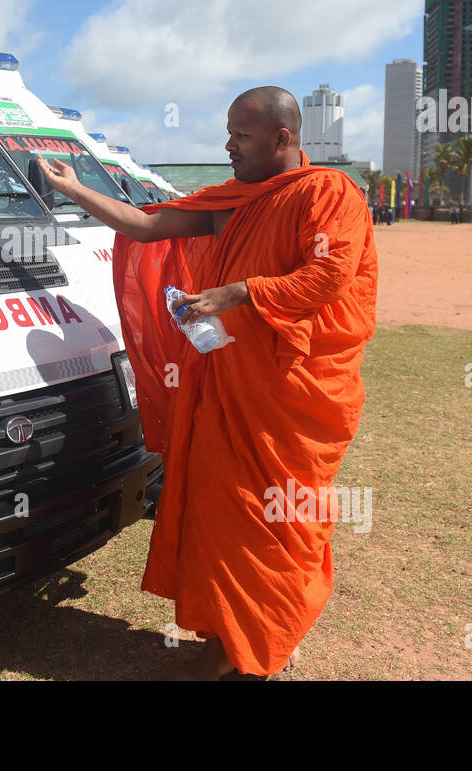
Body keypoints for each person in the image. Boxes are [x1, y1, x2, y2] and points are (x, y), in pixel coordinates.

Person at [38, 87, 378, 680]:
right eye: (228, 132)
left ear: (282, 138)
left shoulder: (327, 192)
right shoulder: (232, 201)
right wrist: (72, 188)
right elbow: (145, 227)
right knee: (227, 512)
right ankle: (239, 634)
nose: (228, 145)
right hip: (228, 381)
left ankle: (253, 639)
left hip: (290, 391)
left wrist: (238, 292)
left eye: (240, 135)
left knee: (277, 518)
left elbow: (329, 274)